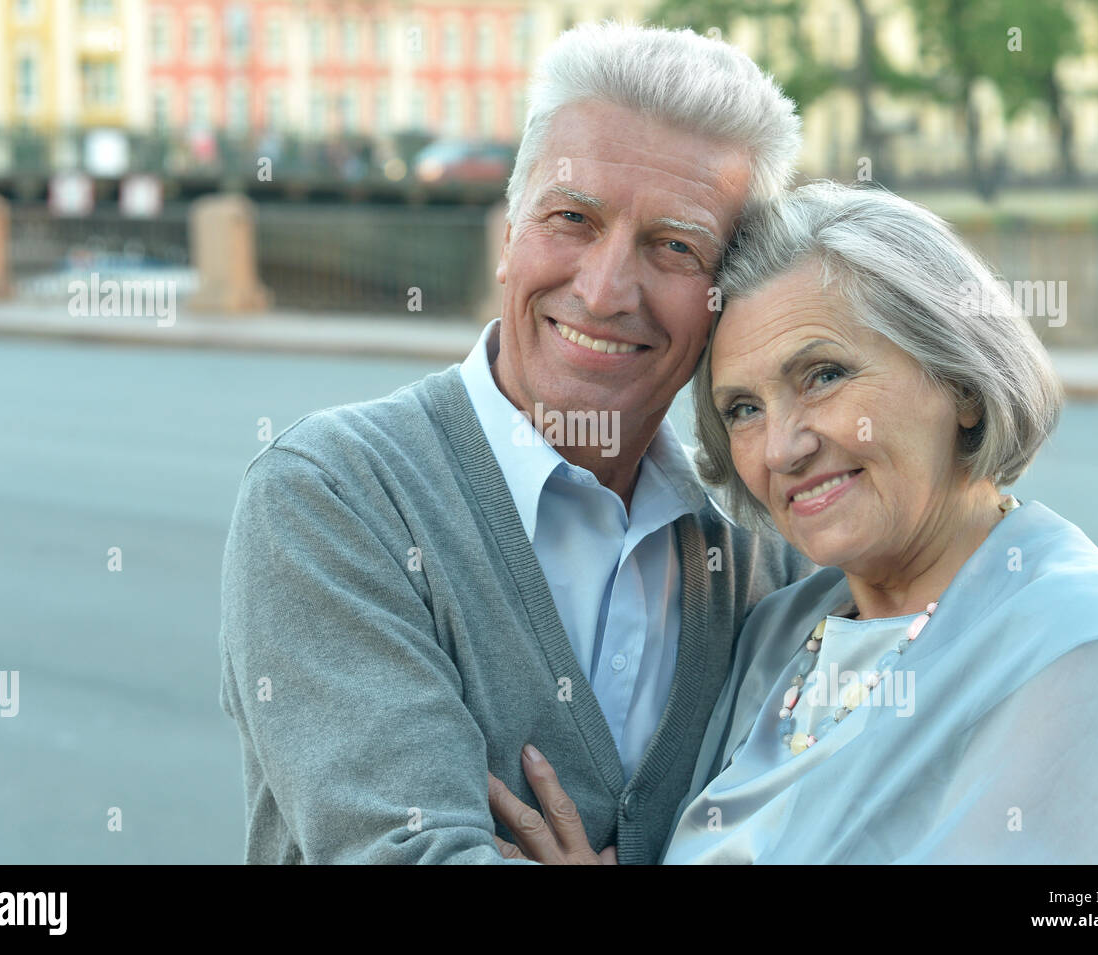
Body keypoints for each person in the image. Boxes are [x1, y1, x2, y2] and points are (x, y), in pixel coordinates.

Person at [216, 22, 812, 864]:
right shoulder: (331, 497)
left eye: (675, 246)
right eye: (572, 218)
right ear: (509, 233)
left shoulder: (774, 569)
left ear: (730, 296)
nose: (605, 292)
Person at [488, 181, 1098, 863]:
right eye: (744, 408)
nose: (784, 446)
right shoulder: (785, 631)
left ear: (961, 382)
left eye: (824, 374)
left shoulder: (1087, 645)